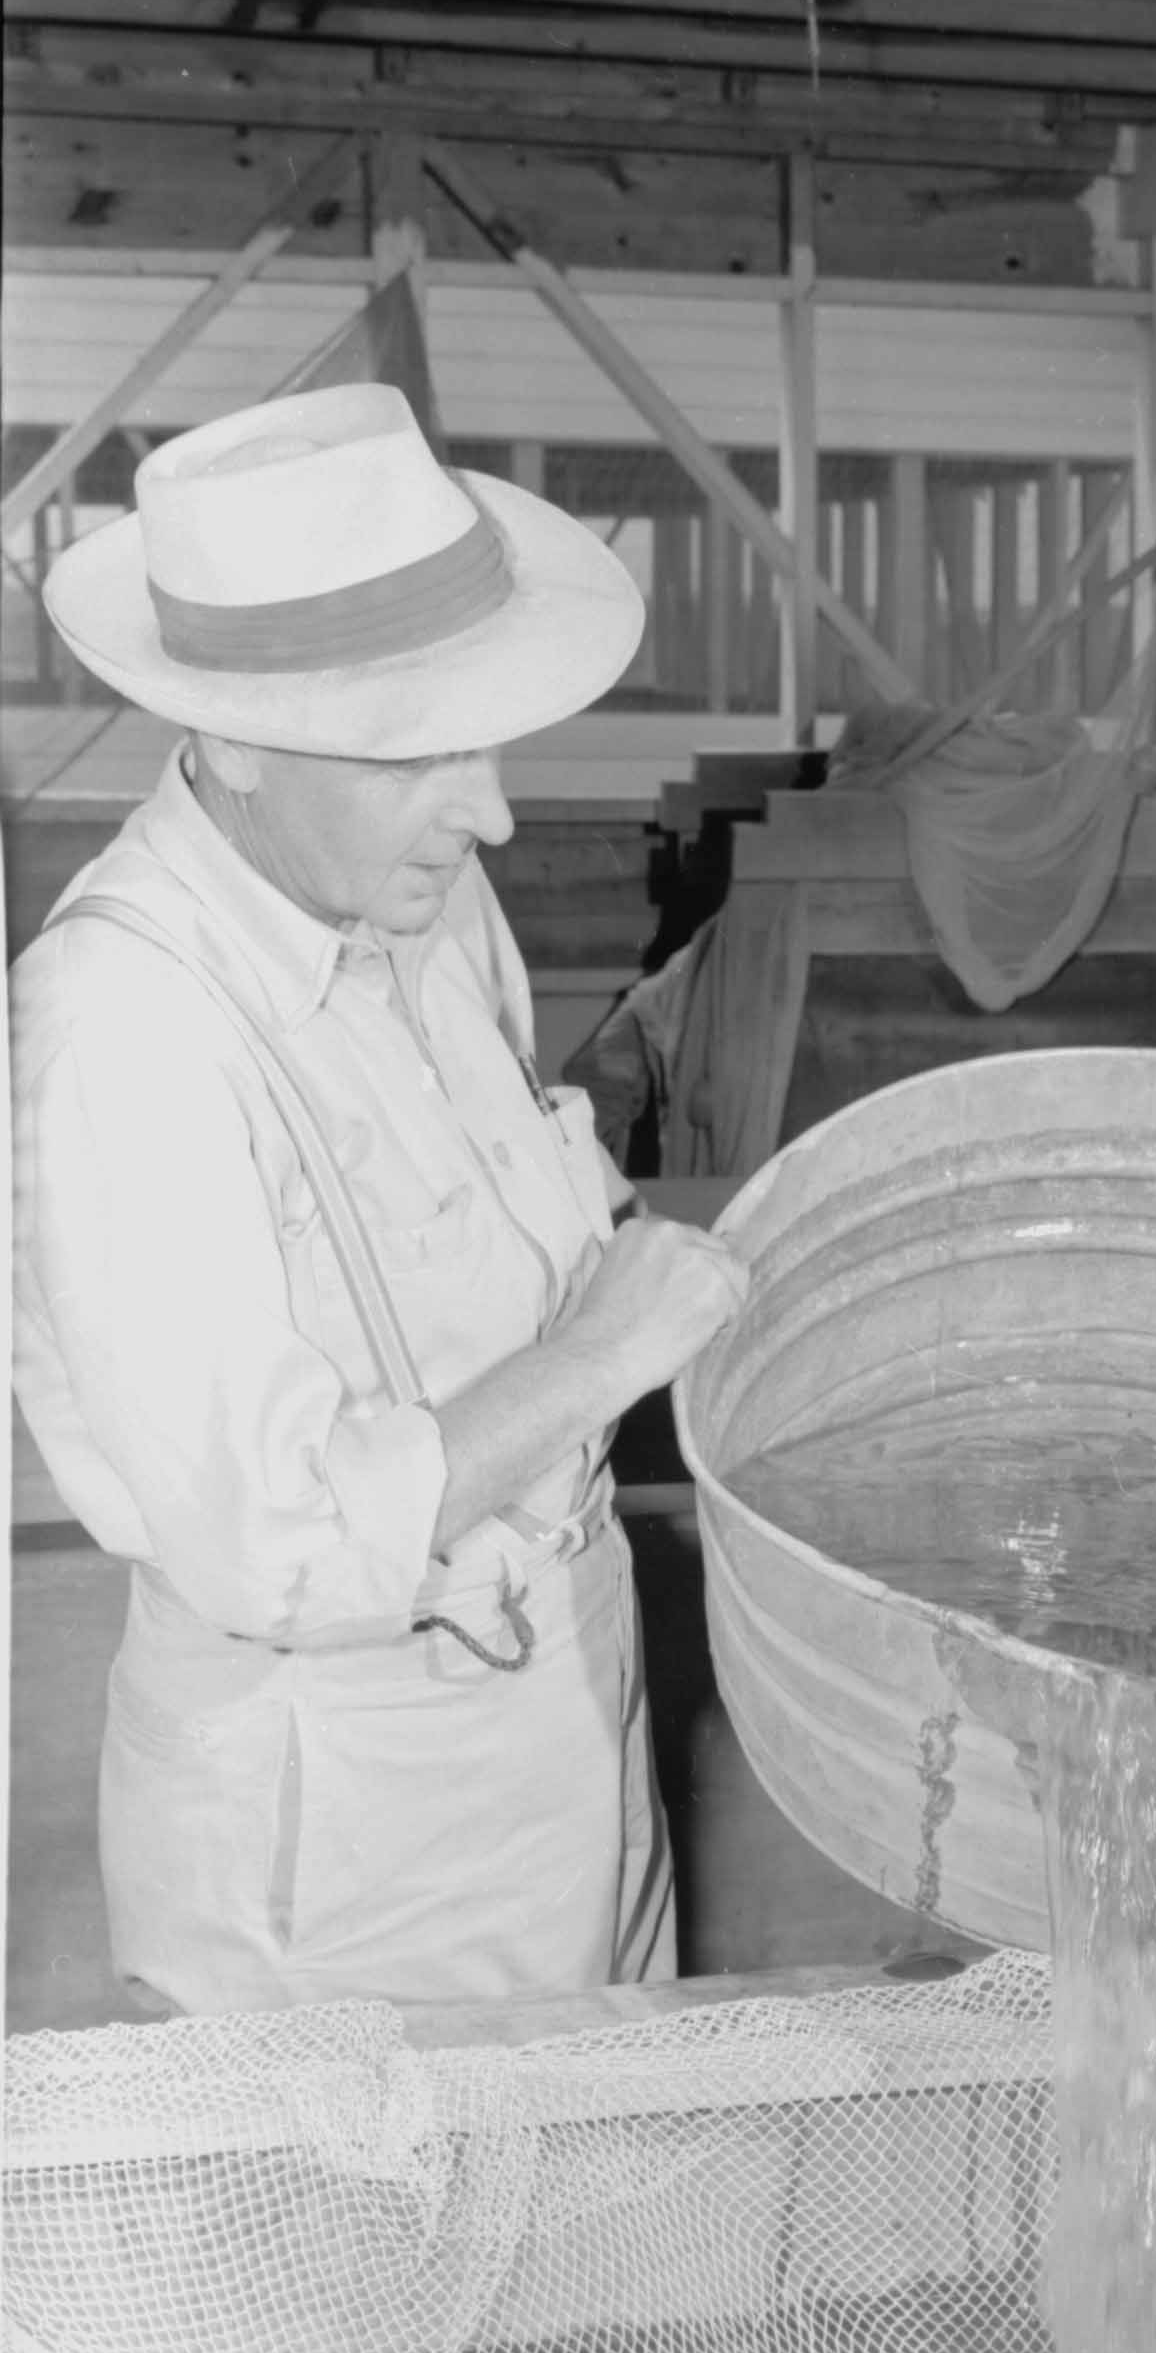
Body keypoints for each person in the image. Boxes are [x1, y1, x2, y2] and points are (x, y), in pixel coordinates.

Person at [12, 381, 749, 2014]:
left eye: (485, 736)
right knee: (374, 2254)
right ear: (228, 740)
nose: (486, 810)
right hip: (344, 1824)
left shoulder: (419, 887)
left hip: (565, 1701)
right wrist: (597, 1360)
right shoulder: (127, 1028)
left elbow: (509, 1230)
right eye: (419, 751)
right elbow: (272, 1538)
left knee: (600, 2223)